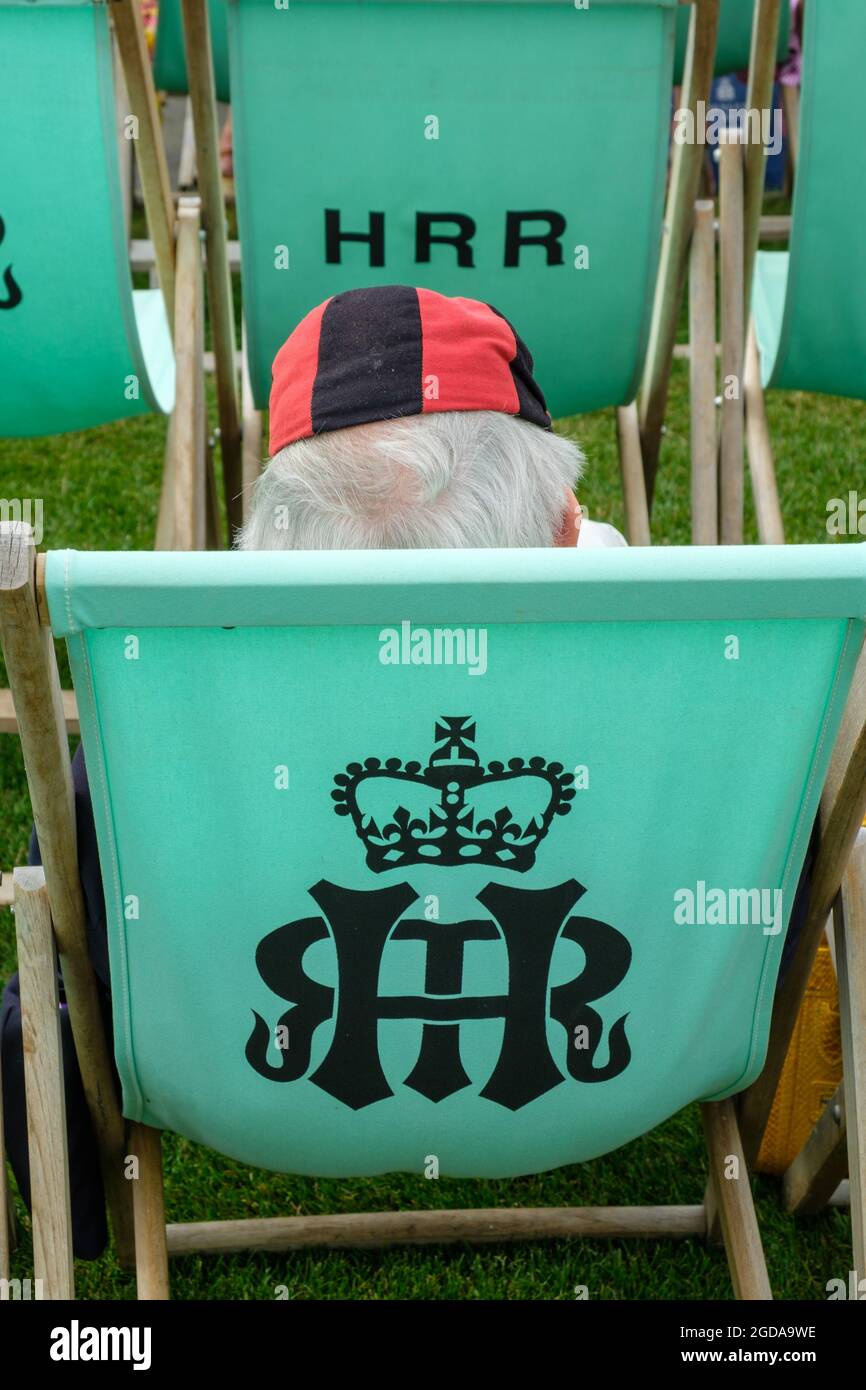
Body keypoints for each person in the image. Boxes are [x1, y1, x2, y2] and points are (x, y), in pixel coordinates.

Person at [0, 285, 626, 1258]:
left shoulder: (149, 734)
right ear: (563, 527)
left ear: (265, 548)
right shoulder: (709, 674)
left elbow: (53, 978)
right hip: (600, 1087)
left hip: (254, 1099)